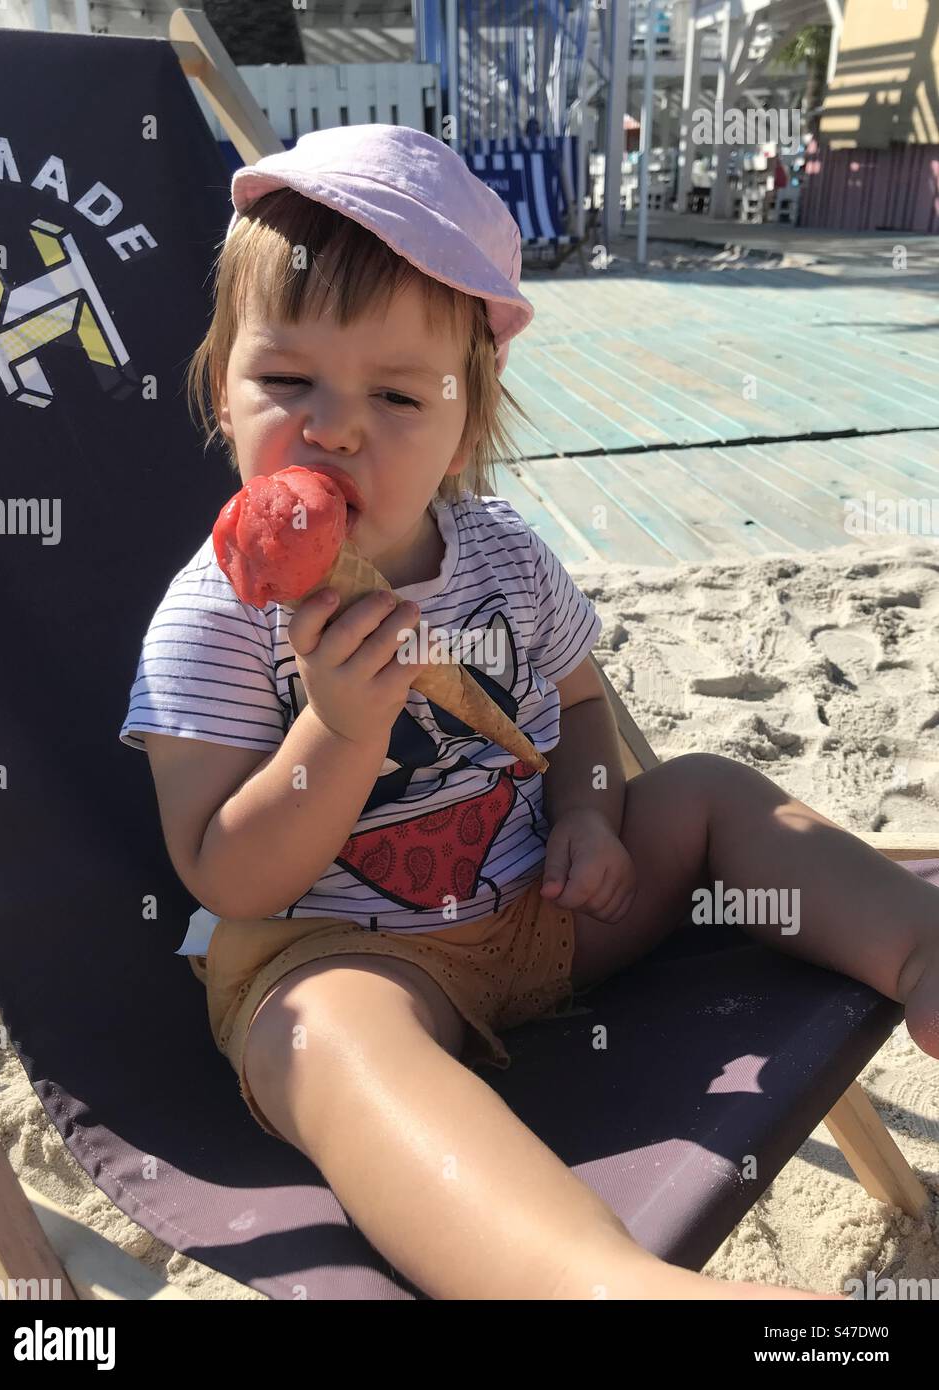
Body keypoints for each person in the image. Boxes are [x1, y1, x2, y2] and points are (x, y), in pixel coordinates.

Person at [119, 125, 938, 1301]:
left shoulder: (502, 556)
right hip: (349, 948)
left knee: (704, 789)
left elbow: (582, 712)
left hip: (544, 913)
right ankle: (591, 1283)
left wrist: (591, 818)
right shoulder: (214, 617)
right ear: (220, 381)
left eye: (396, 392)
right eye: (285, 380)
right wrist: (339, 735)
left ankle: (918, 945)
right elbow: (221, 875)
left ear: (471, 417)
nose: (334, 425)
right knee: (320, 1035)